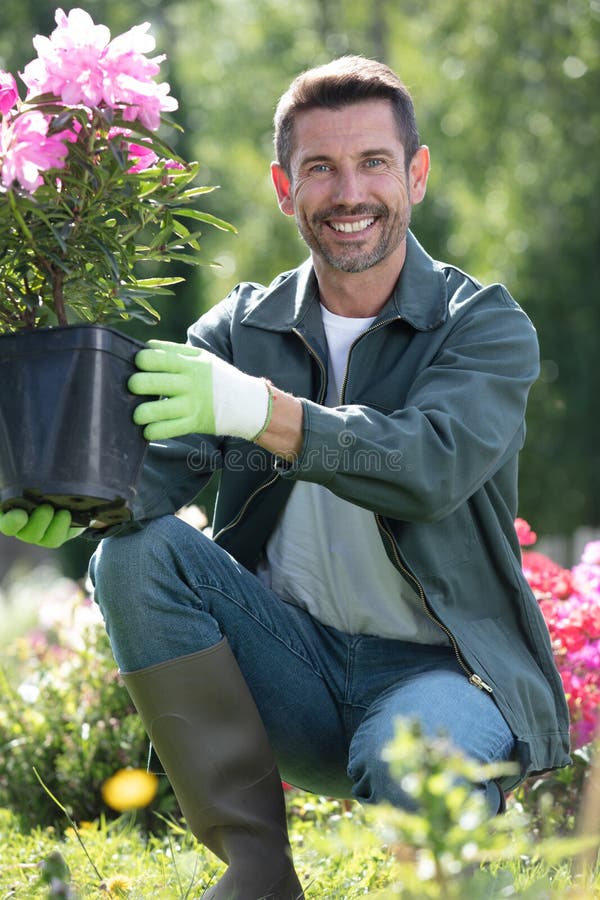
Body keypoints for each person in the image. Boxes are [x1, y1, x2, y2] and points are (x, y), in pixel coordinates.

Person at [0, 56, 571, 900]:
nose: (350, 193)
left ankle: (451, 877)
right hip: (288, 668)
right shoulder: (240, 331)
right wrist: (69, 497)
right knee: (132, 555)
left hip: (444, 677)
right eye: (321, 168)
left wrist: (263, 411)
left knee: (414, 758)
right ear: (283, 187)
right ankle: (258, 872)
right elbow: (154, 473)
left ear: (416, 174)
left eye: (374, 162)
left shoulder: (481, 326)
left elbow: (429, 466)